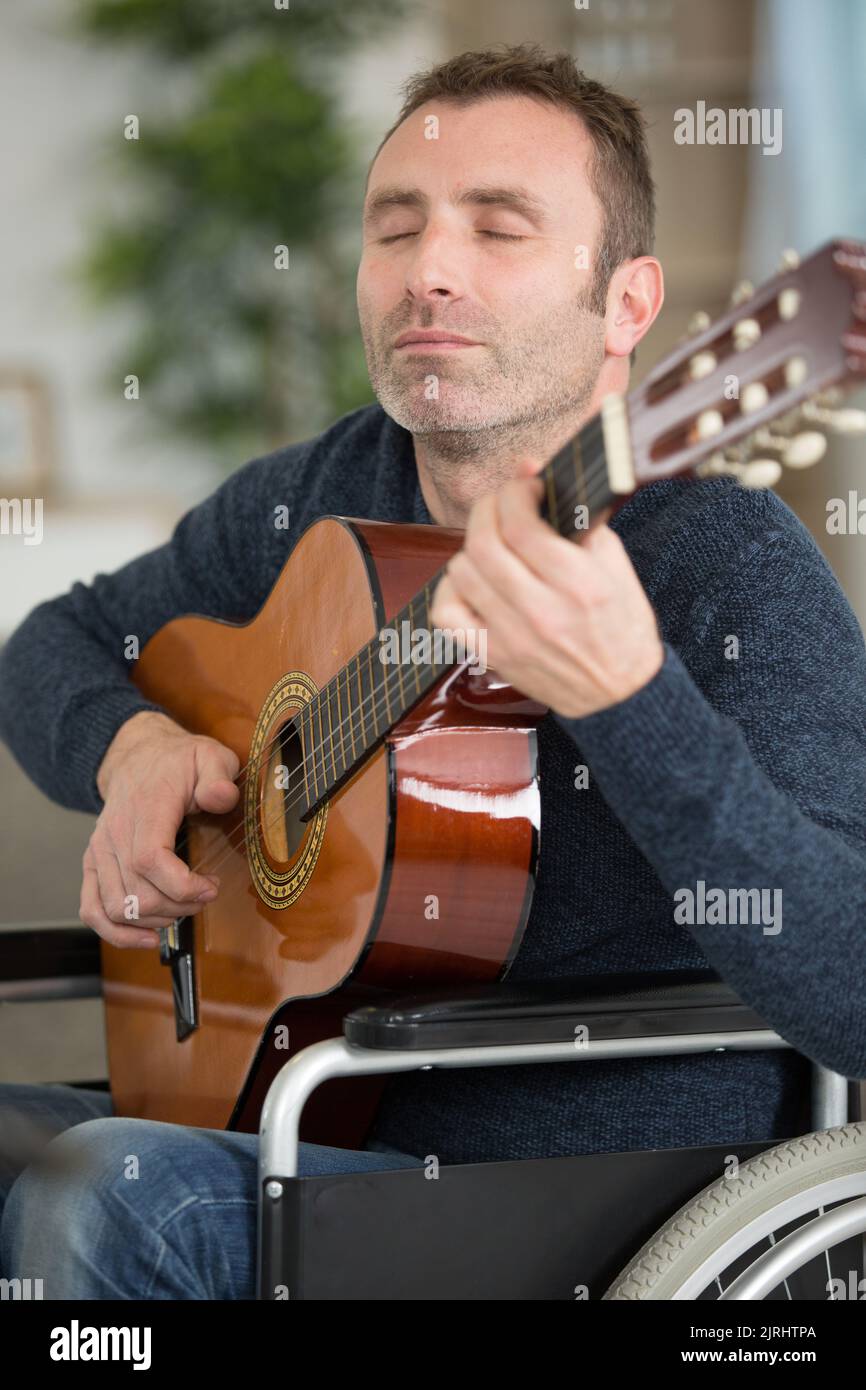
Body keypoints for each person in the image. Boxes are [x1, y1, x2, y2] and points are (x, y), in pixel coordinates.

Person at [1, 43, 865, 1300]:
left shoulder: (721, 562)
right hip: (297, 1116)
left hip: (607, 1187)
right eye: (393, 228)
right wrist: (126, 746)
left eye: (496, 228)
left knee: (117, 1193)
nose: (429, 271)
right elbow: (49, 645)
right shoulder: (314, 496)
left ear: (628, 305)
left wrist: (629, 700)